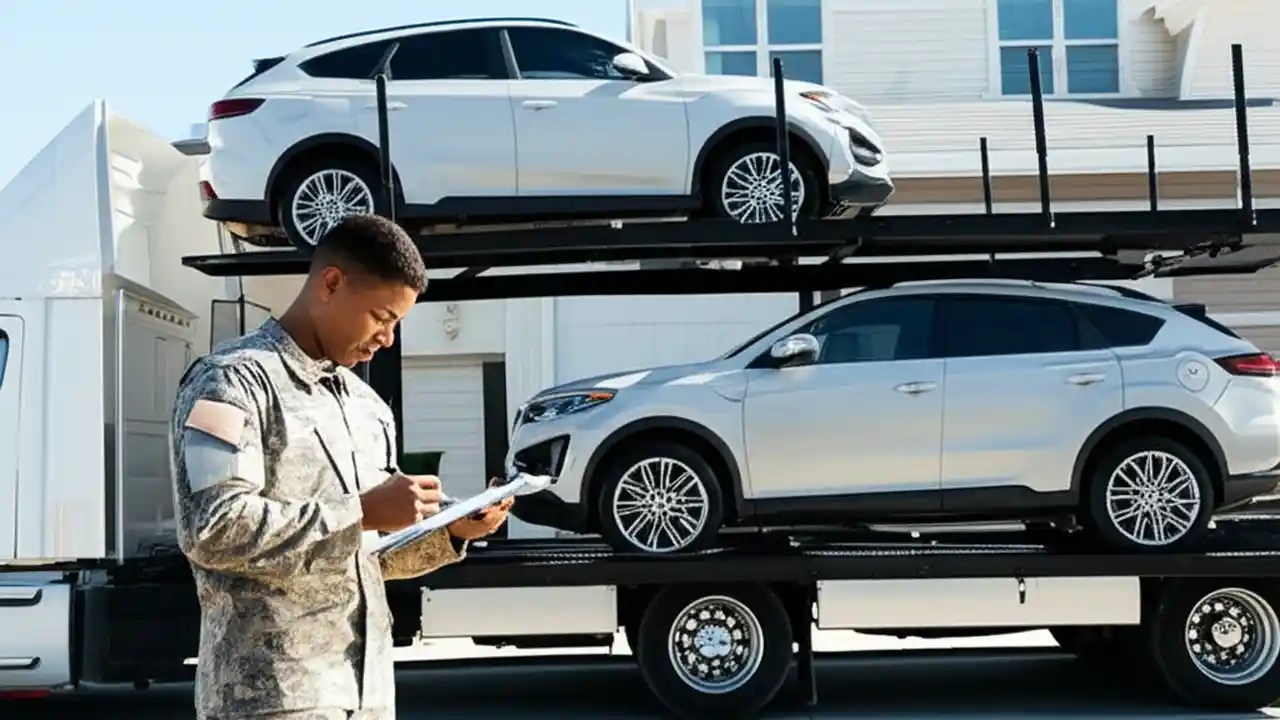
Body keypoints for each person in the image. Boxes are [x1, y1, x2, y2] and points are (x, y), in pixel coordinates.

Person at [168, 213, 513, 720]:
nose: (388, 339)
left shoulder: (365, 404)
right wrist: (361, 512)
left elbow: (367, 555)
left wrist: (449, 531)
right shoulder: (231, 384)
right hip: (270, 701)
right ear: (331, 283)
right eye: (382, 316)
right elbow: (213, 528)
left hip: (366, 696)